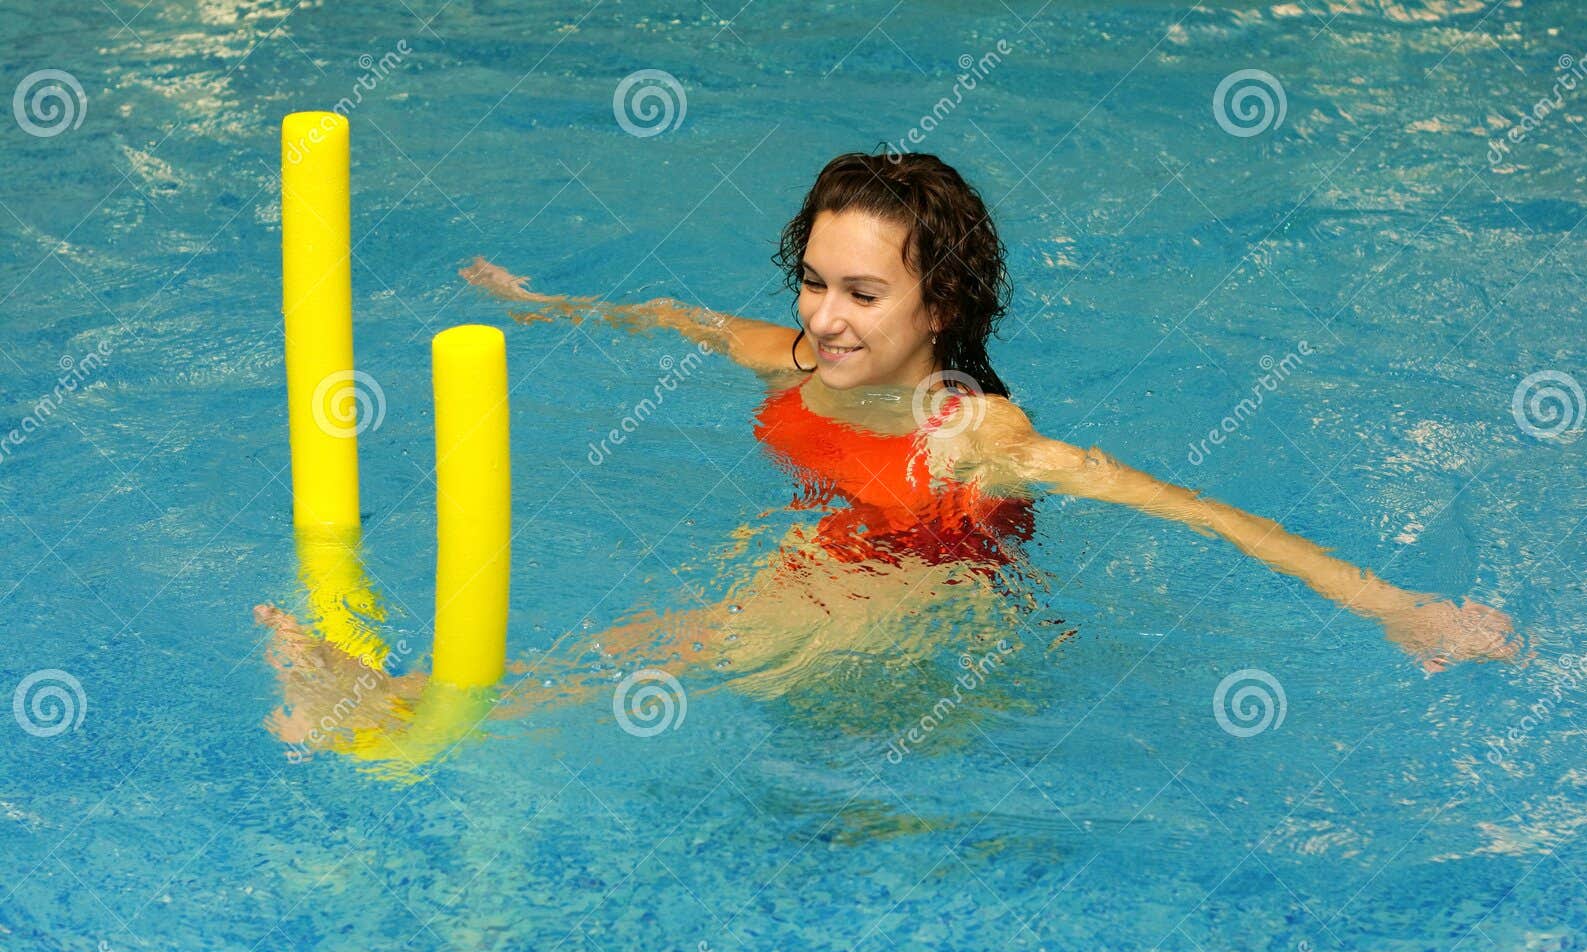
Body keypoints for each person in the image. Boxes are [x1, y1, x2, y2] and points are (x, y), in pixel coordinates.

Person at [258, 151, 1523, 761]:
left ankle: (401, 714)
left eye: (861, 293)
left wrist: (1396, 605)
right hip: (833, 549)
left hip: (934, 592)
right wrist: (542, 306)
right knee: (674, 635)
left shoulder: (977, 435)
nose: (822, 316)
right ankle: (409, 702)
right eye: (813, 281)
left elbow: (1203, 512)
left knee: (693, 644)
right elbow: (674, 318)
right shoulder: (798, 361)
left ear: (941, 306)